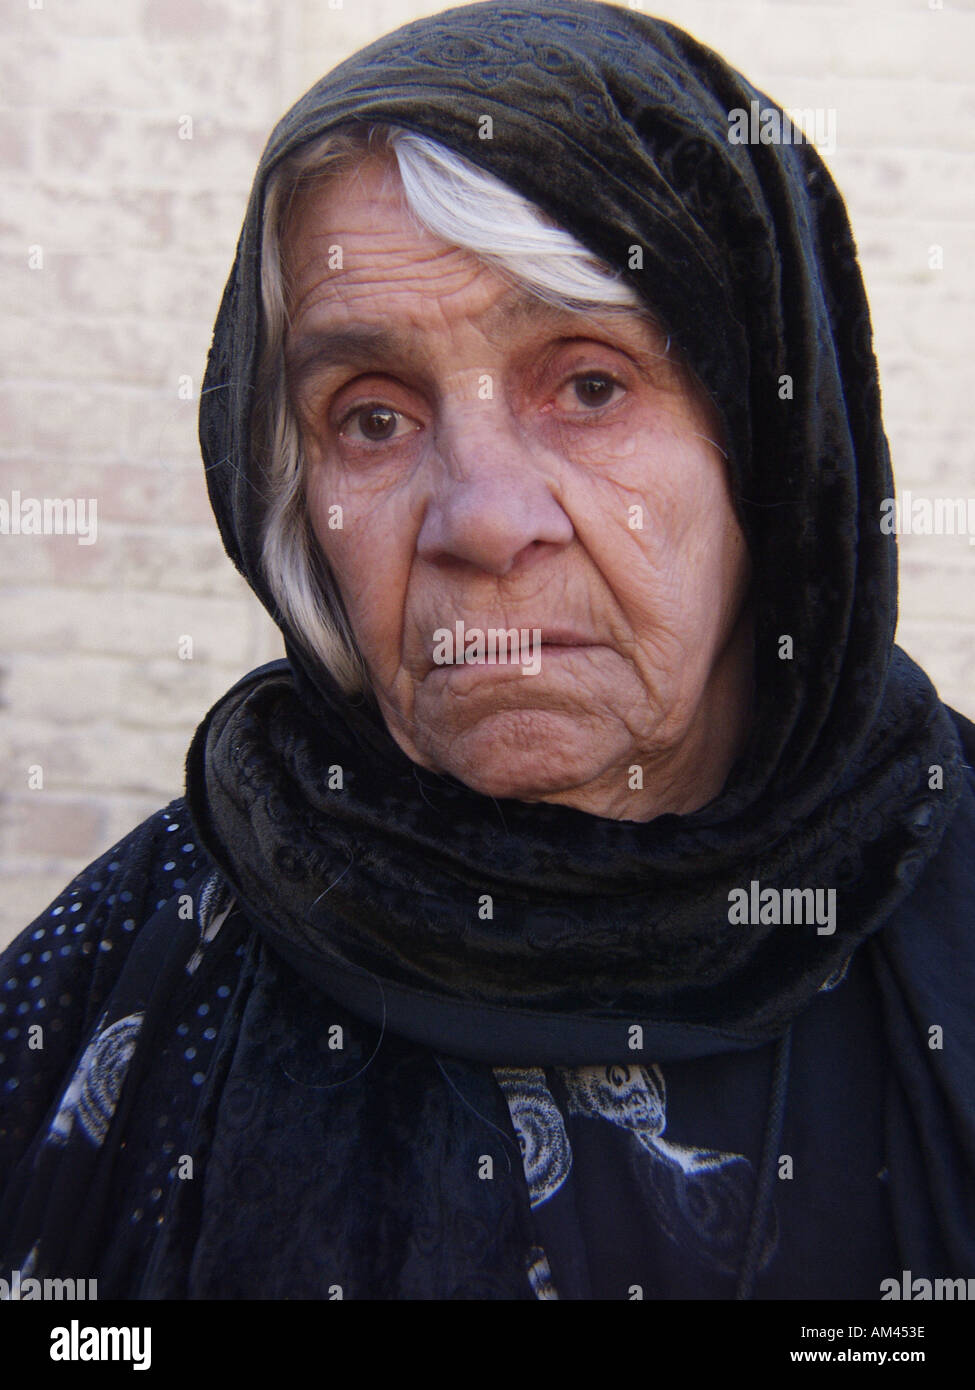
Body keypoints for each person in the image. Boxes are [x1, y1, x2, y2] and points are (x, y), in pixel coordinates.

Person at [1, 0, 972, 1301]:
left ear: (769, 449)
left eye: (589, 384)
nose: (480, 520)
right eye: (375, 417)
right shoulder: (134, 963)